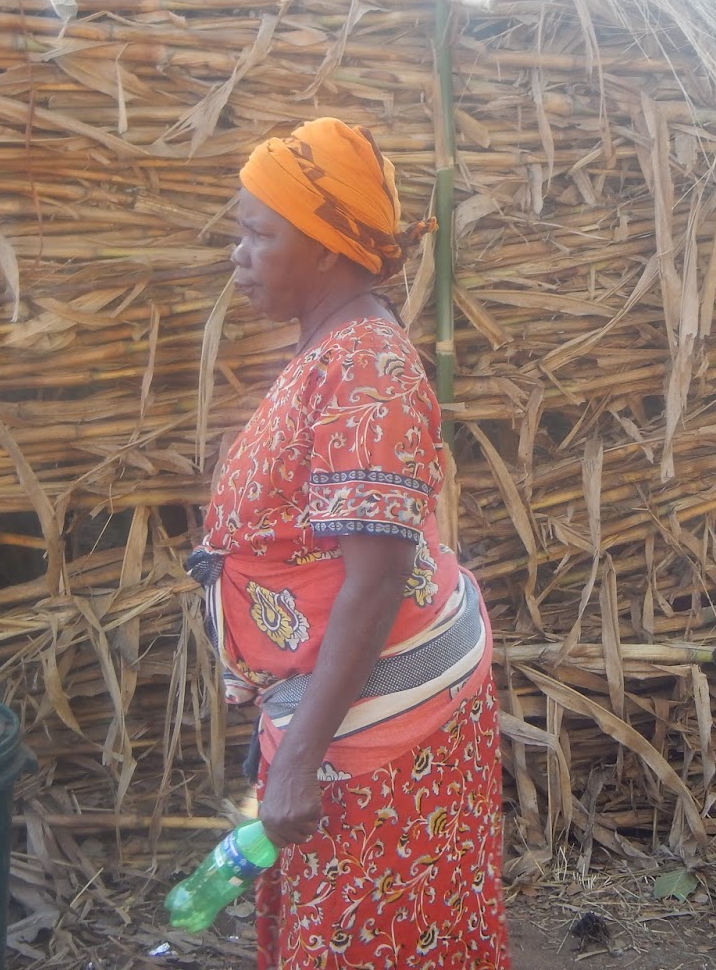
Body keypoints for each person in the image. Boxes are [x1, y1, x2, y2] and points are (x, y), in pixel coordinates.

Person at [186, 117, 510, 969]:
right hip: (346, 717)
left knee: (373, 936)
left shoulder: (367, 367)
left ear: (327, 247)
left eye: (258, 233)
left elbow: (376, 576)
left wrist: (300, 759)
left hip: (377, 731)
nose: (238, 254)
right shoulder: (331, 351)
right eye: (240, 231)